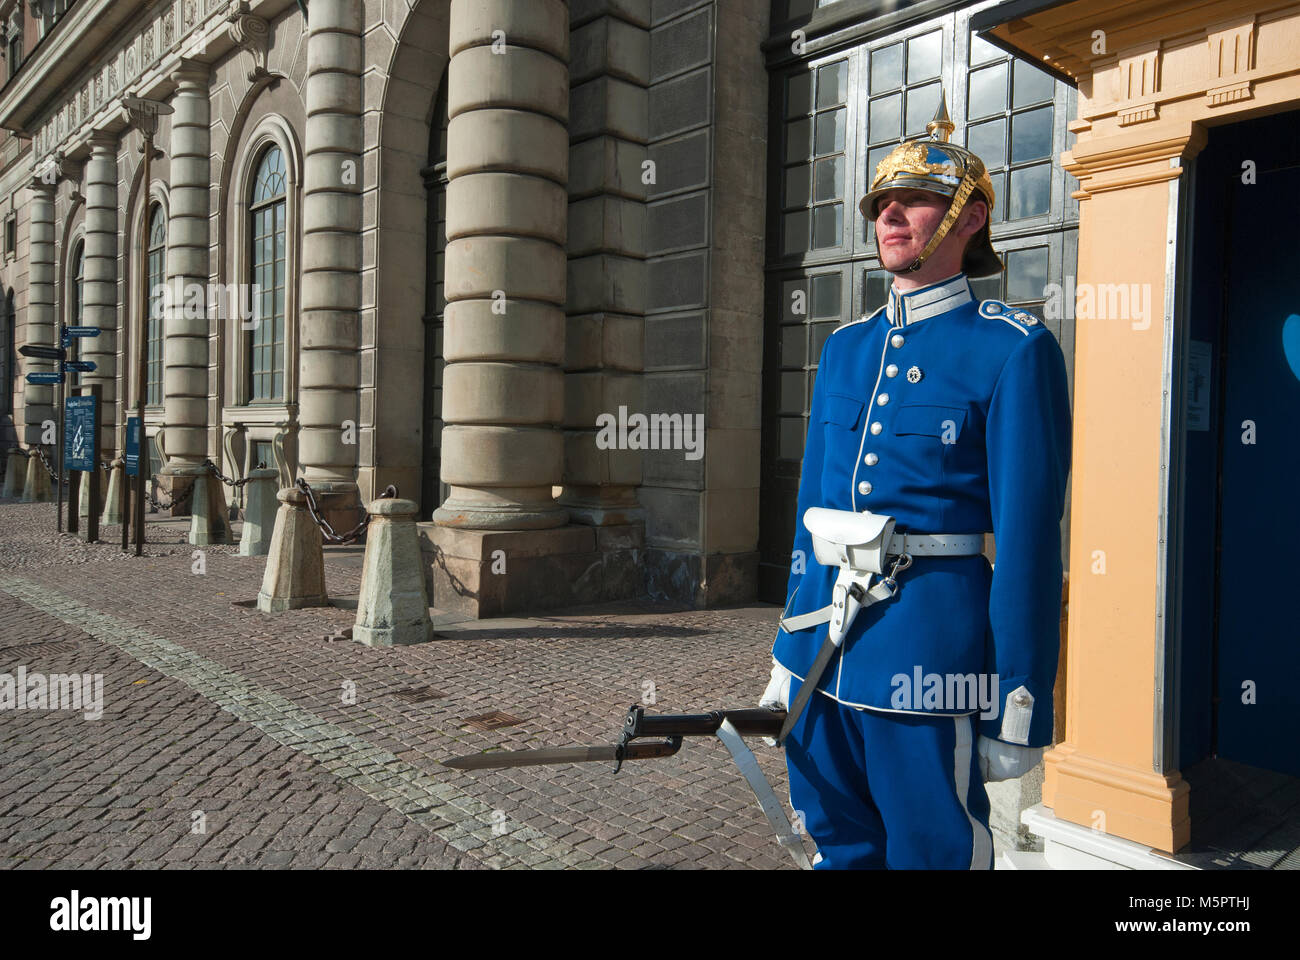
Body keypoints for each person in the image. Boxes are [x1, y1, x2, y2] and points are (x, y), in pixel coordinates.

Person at [760, 95, 1072, 869]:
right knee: (835, 842)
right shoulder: (844, 347)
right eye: (882, 203)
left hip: (931, 653)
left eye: (919, 200)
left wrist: (1019, 702)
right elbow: (812, 512)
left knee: (934, 853)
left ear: (969, 220)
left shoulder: (1011, 347)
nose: (891, 214)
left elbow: (1030, 543)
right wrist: (785, 647)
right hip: (821, 650)